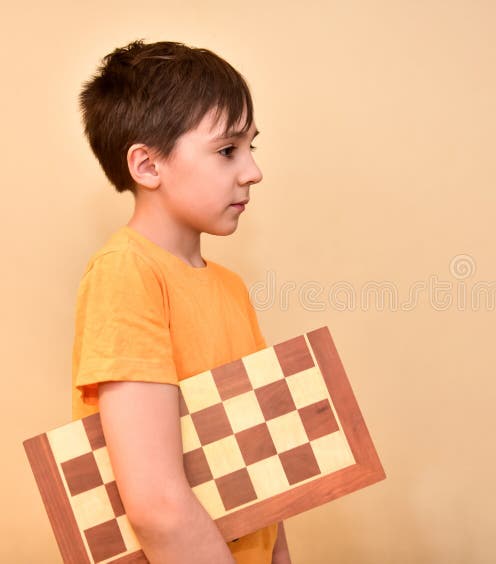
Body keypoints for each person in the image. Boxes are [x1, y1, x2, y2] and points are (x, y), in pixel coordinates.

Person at [71, 39, 290, 563]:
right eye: (226, 150)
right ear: (147, 166)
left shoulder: (231, 288)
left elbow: (265, 478)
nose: (253, 171)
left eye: (251, 147)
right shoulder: (128, 272)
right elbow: (157, 506)